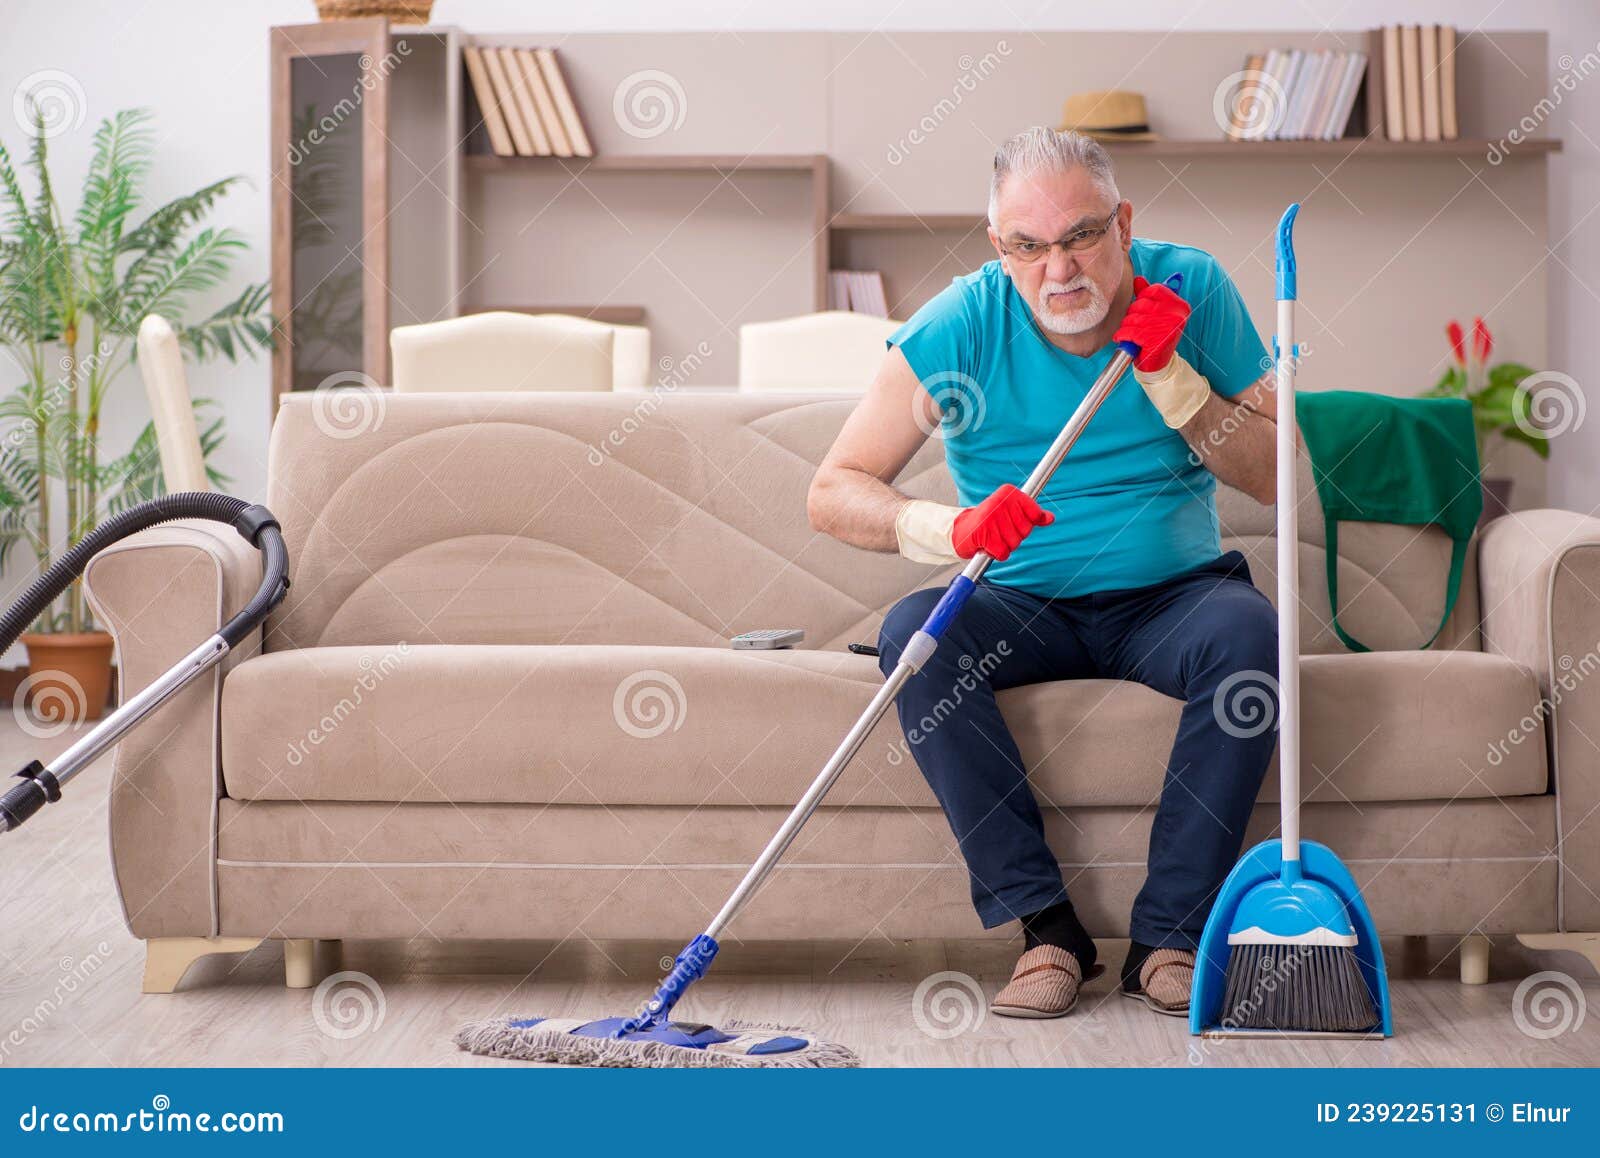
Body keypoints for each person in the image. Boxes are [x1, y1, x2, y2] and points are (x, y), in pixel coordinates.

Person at [806, 126, 1280, 1019]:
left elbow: (1276, 472)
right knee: (918, 638)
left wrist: (1174, 379)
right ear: (999, 247)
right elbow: (833, 491)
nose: (1058, 269)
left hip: (1173, 600)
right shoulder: (963, 323)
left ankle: (1171, 938)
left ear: (1124, 224)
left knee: (1252, 636)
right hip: (1019, 604)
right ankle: (1048, 933)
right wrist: (949, 525)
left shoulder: (1193, 288)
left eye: (1082, 237)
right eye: (1028, 245)